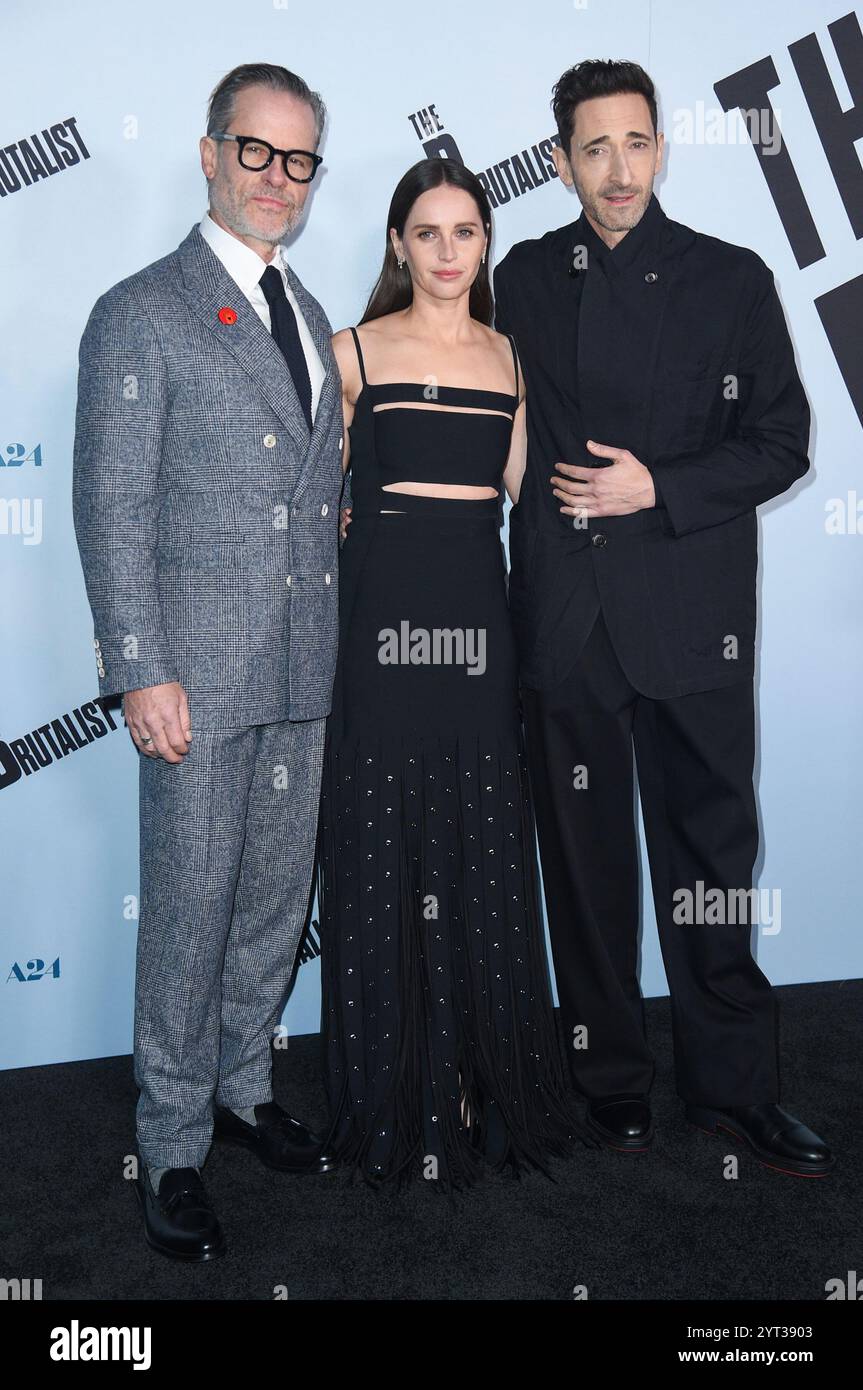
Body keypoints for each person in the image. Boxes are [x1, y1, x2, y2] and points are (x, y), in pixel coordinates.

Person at [493, 59, 834, 1176]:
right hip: (566, 619)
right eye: (591, 148)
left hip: (690, 618)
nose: (616, 167)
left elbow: (782, 441)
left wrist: (662, 486)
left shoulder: (728, 277)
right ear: (559, 163)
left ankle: (732, 1089)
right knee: (583, 871)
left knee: (707, 860)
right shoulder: (526, 275)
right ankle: (606, 1080)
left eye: (633, 142)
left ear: (661, 146)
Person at [72, 63, 344, 1261]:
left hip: (301, 671)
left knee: (271, 909)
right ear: (207, 153)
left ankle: (243, 1087)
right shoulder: (140, 311)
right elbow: (110, 503)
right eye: (255, 152)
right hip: (196, 677)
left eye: (298, 161)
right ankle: (171, 1143)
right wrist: (140, 665)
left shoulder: (308, 308)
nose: (276, 179)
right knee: (186, 912)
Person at [316, 158, 596, 1191]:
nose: (444, 252)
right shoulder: (349, 352)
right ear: (396, 243)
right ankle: (392, 1091)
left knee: (478, 844)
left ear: (483, 245)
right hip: (379, 638)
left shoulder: (510, 361)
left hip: (479, 639)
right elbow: (305, 503)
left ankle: (483, 1078)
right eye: (425, 232)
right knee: (383, 846)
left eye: (463, 233)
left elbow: (532, 503)